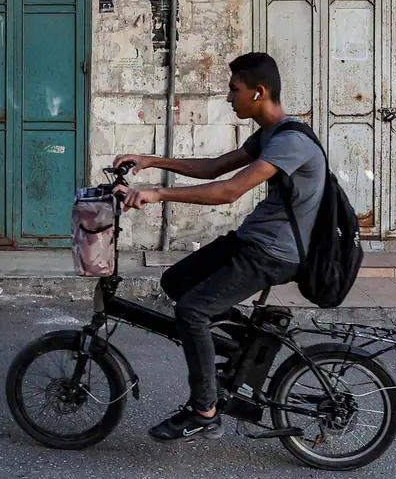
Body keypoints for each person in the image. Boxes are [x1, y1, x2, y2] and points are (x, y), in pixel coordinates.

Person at [112, 51, 326, 443]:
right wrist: (150, 160)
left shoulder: (292, 142)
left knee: (191, 312)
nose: (229, 99)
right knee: (177, 281)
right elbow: (213, 168)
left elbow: (229, 191)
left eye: (234, 90)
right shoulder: (269, 134)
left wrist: (157, 194)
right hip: (252, 241)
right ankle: (240, 354)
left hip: (272, 254)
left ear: (258, 93)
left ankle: (205, 411)